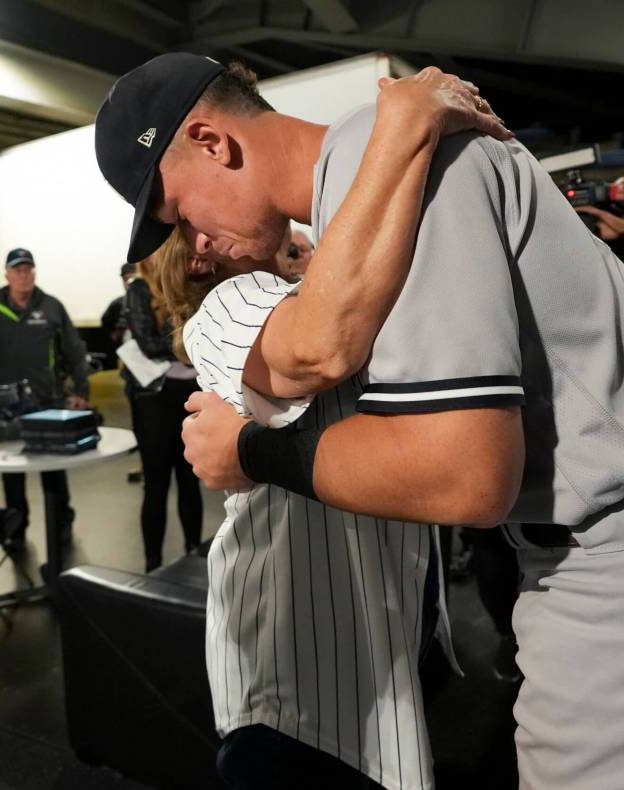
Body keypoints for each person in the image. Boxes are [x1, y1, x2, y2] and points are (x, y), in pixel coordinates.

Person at [98, 53, 624, 788]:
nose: (194, 241)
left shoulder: (382, 157)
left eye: (179, 211)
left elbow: (462, 473)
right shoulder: (374, 180)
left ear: (210, 140)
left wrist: (253, 452)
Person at [98, 58, 508, 789]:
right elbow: (316, 349)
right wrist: (402, 125)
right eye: (182, 236)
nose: (199, 242)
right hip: (295, 694)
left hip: (373, 659)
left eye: (186, 216)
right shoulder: (226, 311)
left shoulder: (311, 280)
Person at [0, 247, 91, 546]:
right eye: (17, 270)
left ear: (34, 273)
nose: (23, 275)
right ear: (7, 275)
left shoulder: (51, 308)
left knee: (53, 470)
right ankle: (16, 527)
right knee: (11, 473)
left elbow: (74, 352)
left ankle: (62, 522)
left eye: (28, 270)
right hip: (4, 409)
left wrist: (81, 391)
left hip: (47, 404)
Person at [122, 234, 204, 569]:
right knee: (156, 483)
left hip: (190, 396)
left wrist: (188, 344)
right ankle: (152, 564)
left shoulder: (191, 285)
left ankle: (195, 554)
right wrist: (189, 346)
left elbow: (202, 337)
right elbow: (149, 344)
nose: (157, 257)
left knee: (190, 479)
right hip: (152, 399)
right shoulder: (139, 291)